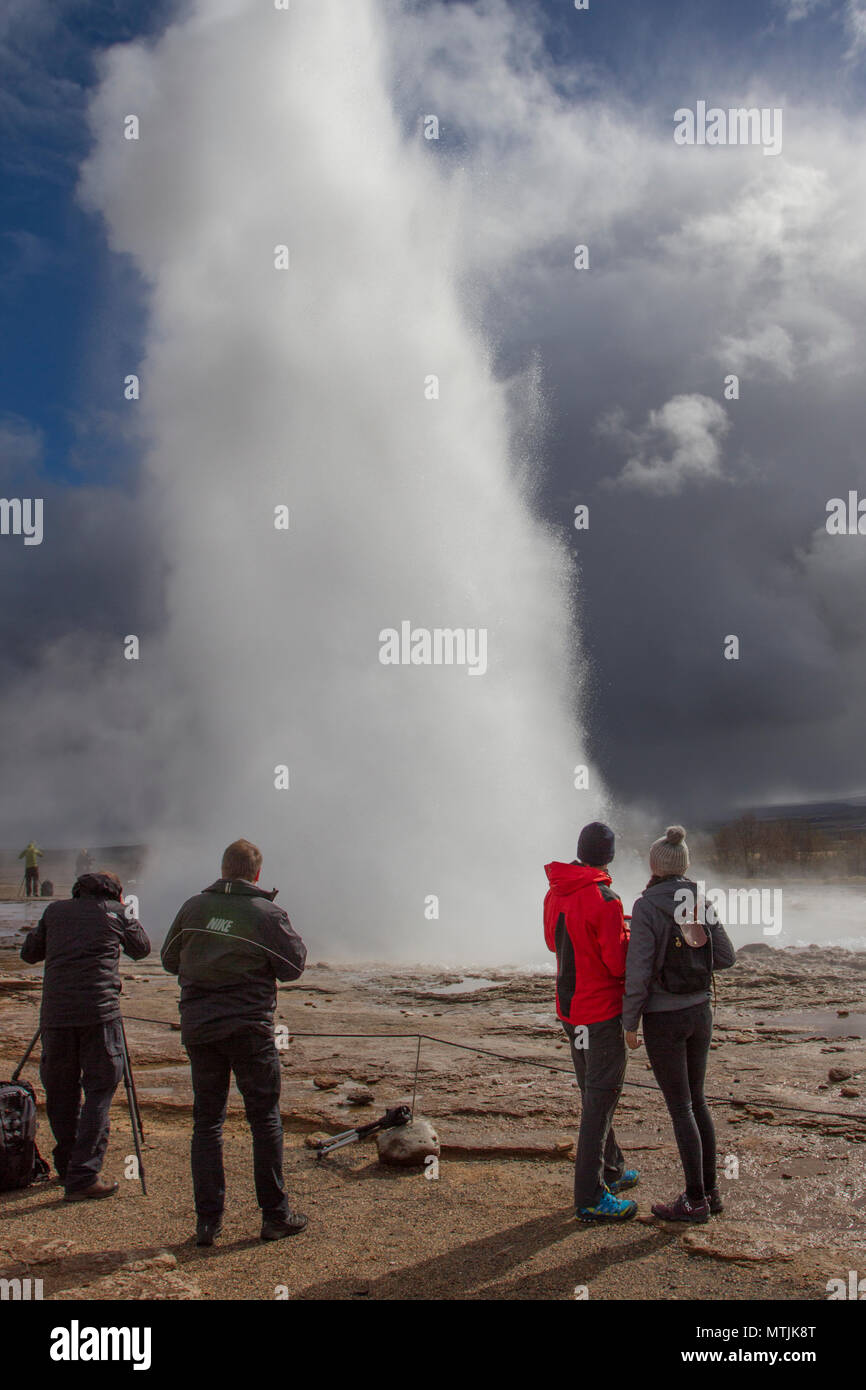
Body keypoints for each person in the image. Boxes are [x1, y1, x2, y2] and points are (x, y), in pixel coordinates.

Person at [161, 838, 307, 1247]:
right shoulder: (267, 913)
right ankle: (275, 1216)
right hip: (249, 1030)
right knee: (264, 1120)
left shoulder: (193, 908)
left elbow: (169, 958)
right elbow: (293, 967)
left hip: (201, 1030)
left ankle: (207, 1223)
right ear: (256, 874)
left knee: (207, 1122)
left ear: (224, 869)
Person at [623, 826, 736, 1224]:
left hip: (664, 1018)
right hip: (700, 1013)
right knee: (698, 1101)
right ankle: (711, 1192)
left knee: (681, 1107)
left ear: (654, 866)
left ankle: (693, 1200)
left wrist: (629, 1022)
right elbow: (725, 957)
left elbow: (637, 970)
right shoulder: (699, 900)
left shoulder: (647, 905)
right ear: (685, 865)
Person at [20, 870, 150, 1200]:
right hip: (99, 1015)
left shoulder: (55, 911)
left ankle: (67, 1165)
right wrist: (122, 910)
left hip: (56, 1015)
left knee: (61, 1090)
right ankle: (83, 1174)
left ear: (77, 890)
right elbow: (142, 949)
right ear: (114, 894)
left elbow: (29, 954)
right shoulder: (117, 913)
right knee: (99, 1091)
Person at [544, 821, 638, 1224]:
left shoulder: (556, 890)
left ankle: (612, 1170)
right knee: (600, 1098)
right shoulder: (605, 899)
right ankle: (590, 1196)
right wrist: (630, 937)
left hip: (570, 1011)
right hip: (600, 1012)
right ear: (609, 855)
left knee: (592, 1092)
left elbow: (553, 943)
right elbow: (617, 965)